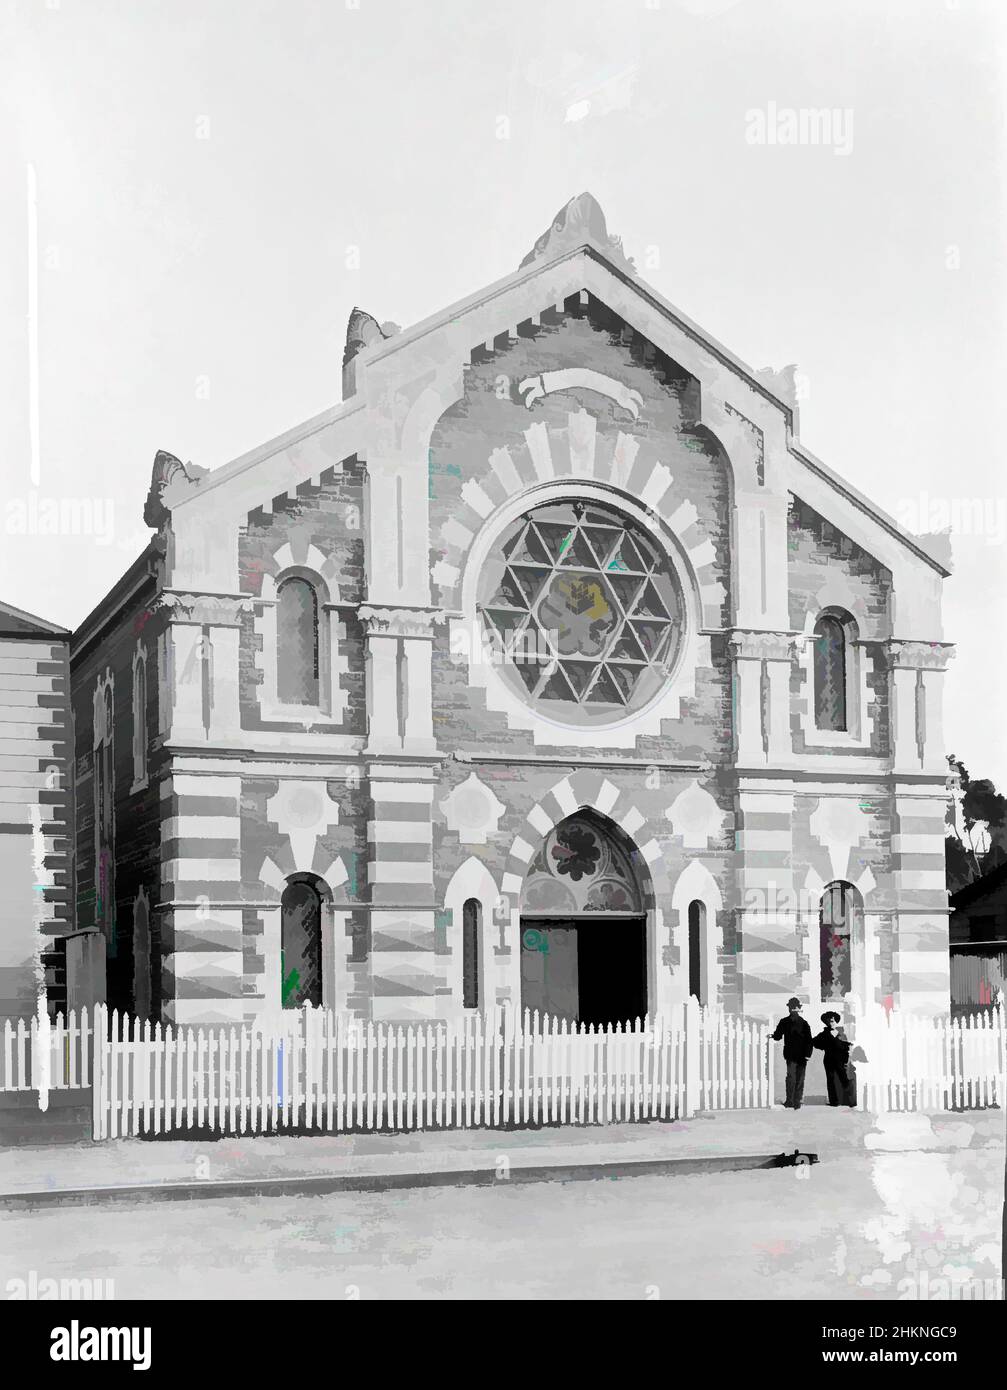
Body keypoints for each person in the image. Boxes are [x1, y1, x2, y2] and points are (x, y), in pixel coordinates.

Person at [771, 997, 813, 1109]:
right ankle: (790, 1101)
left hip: (802, 1055)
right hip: (790, 1055)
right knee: (791, 1078)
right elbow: (777, 1036)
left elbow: (809, 1040)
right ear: (789, 1008)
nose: (793, 1009)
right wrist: (771, 1036)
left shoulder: (804, 1023)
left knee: (800, 1079)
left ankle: (797, 1102)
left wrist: (808, 1054)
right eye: (791, 1007)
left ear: (799, 1008)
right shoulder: (784, 1022)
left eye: (795, 1007)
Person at [813, 1011, 857, 1107]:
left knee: (844, 1080)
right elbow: (815, 1042)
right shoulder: (824, 1033)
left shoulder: (842, 1032)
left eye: (832, 1020)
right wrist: (825, 1045)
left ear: (836, 1021)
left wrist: (846, 1056)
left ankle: (851, 1101)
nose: (830, 1022)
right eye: (828, 1021)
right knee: (831, 1080)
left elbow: (848, 1045)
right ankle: (834, 1102)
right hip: (828, 1060)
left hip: (840, 1060)